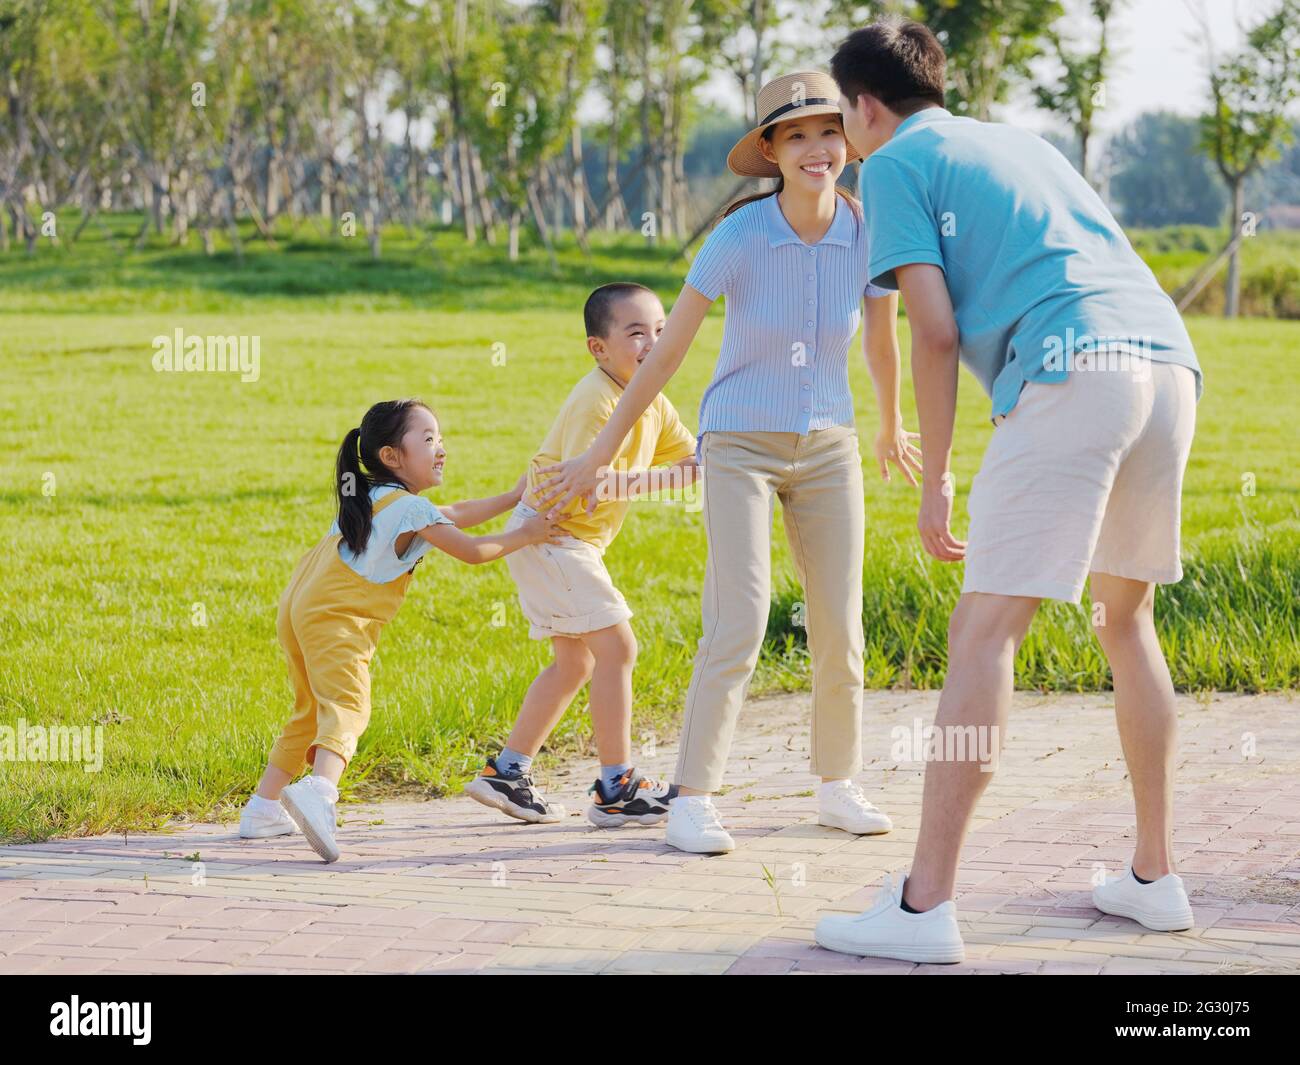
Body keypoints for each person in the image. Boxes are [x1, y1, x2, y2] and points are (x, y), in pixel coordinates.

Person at [814, 17, 1203, 964]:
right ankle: (1155, 878)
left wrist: (936, 474)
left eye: (844, 119)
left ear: (867, 108)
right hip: (1166, 361)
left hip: (1074, 370)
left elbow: (934, 331)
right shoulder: (1016, 139)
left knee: (983, 630)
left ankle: (922, 907)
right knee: (1126, 618)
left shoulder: (897, 164)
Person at [534, 72, 920, 855]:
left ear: (849, 142)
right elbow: (667, 351)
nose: (819, 149)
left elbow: (882, 338)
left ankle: (837, 782)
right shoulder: (740, 236)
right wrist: (600, 453)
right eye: (799, 136)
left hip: (829, 445)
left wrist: (891, 425)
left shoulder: (867, 232)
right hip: (739, 443)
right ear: (772, 151)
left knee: (840, 624)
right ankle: (694, 796)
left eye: (830, 133)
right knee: (739, 618)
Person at [239, 399, 560, 862]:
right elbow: (471, 550)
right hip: (338, 616)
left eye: (441, 438)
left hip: (300, 606)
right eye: (428, 439)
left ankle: (264, 807)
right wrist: (527, 534)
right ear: (392, 456)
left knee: (310, 710)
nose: (441, 448)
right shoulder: (410, 509)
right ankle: (319, 791)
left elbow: (458, 511)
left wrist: (512, 499)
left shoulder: (381, 497)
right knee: (348, 707)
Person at [464, 282, 700, 827]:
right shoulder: (598, 399)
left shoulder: (653, 401)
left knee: (575, 663)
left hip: (565, 543)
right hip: (551, 539)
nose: (652, 342)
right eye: (636, 332)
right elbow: (592, 487)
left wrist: (660, 473)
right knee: (618, 647)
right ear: (599, 348)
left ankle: (506, 771)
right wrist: (659, 478)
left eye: (661, 331)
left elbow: (695, 460)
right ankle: (617, 784)